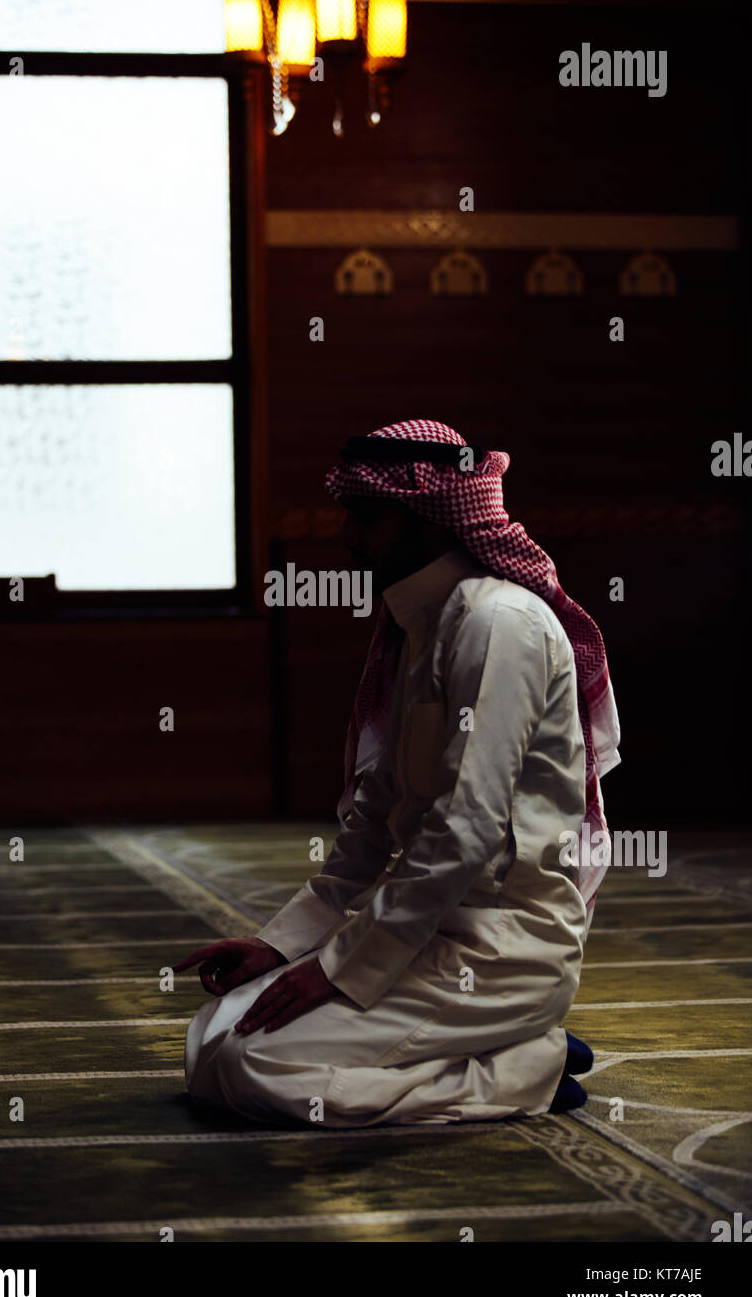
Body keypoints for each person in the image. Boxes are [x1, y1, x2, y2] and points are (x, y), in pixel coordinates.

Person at [175, 419, 621, 1127]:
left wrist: (337, 966)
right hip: (422, 934)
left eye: (367, 516)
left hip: (497, 952)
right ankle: (499, 1051)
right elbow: (376, 813)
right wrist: (283, 943)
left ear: (426, 517)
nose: (348, 537)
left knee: (245, 1065)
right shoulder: (424, 625)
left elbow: (466, 828)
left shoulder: (496, 626)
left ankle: (528, 1064)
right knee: (213, 1035)